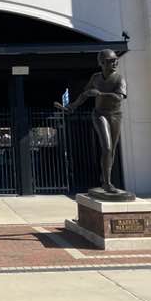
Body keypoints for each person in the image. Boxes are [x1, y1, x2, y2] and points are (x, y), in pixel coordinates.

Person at [54, 49, 127, 194]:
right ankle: (107, 183)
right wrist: (72, 106)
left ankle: (105, 177)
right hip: (99, 114)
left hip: (115, 115)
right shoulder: (95, 78)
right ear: (101, 63)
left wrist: (100, 94)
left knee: (111, 150)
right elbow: (85, 94)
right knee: (106, 147)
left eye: (115, 60)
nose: (114, 63)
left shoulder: (119, 79)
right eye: (110, 61)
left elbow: (119, 97)